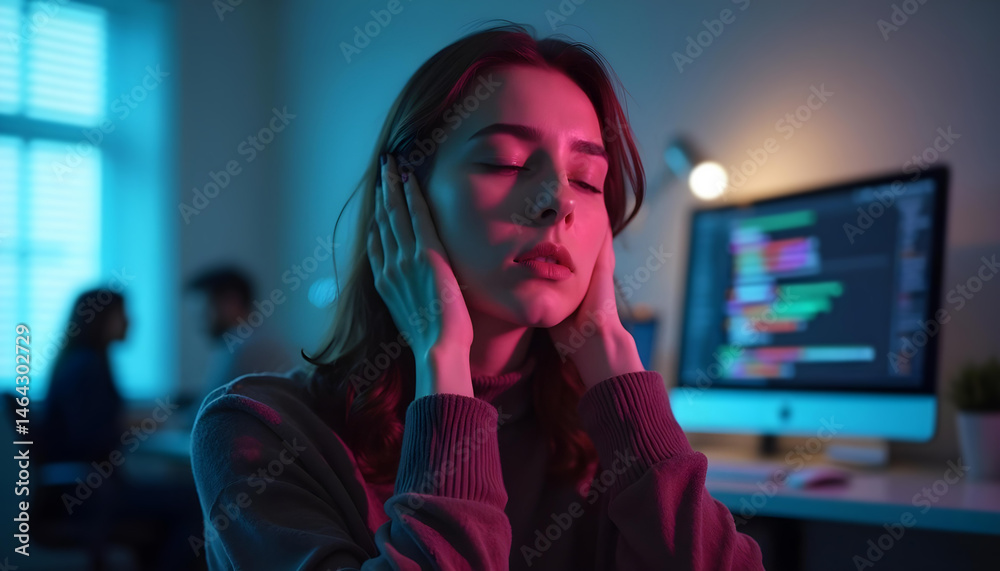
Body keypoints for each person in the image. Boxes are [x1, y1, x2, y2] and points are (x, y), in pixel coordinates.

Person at [190, 22, 765, 570]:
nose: (557, 202)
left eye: (587, 180)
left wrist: (611, 349)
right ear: (403, 198)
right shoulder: (255, 429)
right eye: (506, 162)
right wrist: (441, 358)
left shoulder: (603, 434)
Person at [39, 288, 204, 571]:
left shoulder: (84, 362)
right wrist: (140, 425)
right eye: (122, 315)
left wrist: (139, 423)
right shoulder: (86, 367)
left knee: (180, 499)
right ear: (101, 319)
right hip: (89, 495)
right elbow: (90, 438)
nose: (130, 322)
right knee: (198, 499)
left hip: (93, 490)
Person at [184, 266, 294, 407]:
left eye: (204, 312)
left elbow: (207, 411)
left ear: (231, 302)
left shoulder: (247, 347)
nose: (201, 324)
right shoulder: (251, 339)